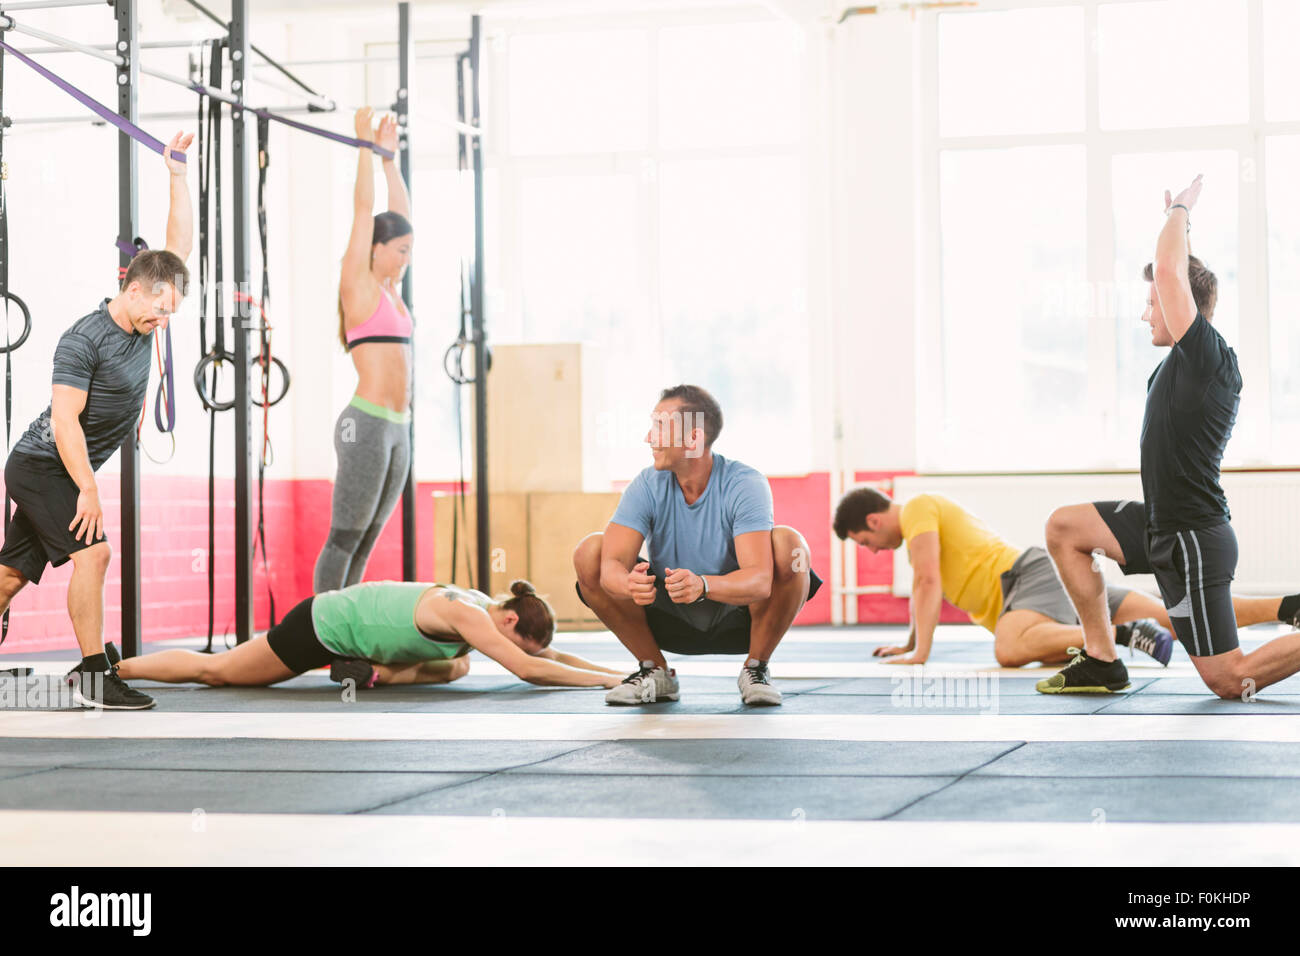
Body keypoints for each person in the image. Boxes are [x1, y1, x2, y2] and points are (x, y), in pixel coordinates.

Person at [1041, 175, 1300, 697]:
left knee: (1228, 679)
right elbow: (1178, 273)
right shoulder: (1185, 363)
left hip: (1194, 537)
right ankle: (1101, 658)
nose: (1145, 313)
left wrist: (1180, 210)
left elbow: (1170, 272)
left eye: (1152, 303)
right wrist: (1182, 237)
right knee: (1064, 528)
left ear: (1177, 301)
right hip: (1161, 524)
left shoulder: (1208, 358)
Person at [0, 133, 193, 710]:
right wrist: (88, 488)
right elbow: (65, 423)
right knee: (96, 553)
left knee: (11, 576)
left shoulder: (148, 314)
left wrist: (178, 179)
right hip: (41, 465)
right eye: (159, 307)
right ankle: (90, 674)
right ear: (132, 290)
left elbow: (178, 250)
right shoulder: (83, 339)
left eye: (171, 310)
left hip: (62, 469)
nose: (164, 318)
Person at [833, 487, 1299, 668]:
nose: (871, 551)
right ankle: (1286, 606)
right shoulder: (918, 527)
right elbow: (925, 587)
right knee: (1175, 616)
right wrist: (909, 639)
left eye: (863, 542)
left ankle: (1120, 634)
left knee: (1010, 649)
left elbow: (927, 583)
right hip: (1044, 594)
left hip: (1025, 578)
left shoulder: (915, 509)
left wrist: (920, 654)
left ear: (873, 521)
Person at [572, 385, 822, 707]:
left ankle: (756, 668)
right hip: (669, 615)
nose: (649, 438)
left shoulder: (744, 483)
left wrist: (702, 585)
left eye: (660, 427)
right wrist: (628, 584)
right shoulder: (646, 484)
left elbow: (760, 581)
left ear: (693, 439)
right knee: (590, 551)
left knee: (791, 546)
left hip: (738, 616)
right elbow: (608, 569)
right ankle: (655, 670)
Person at [114, 580, 623, 690]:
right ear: (510, 621)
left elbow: (548, 654)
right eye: (517, 640)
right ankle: (115, 668)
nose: (514, 647)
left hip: (351, 636)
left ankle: (371, 672)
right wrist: (606, 687)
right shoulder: (465, 615)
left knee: (460, 665)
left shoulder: (484, 608)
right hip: (321, 628)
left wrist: (624, 673)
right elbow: (530, 668)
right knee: (219, 672)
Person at [314, 108, 414, 592]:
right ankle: (319, 634)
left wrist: (390, 160)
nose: (406, 258)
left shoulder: (394, 289)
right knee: (344, 537)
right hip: (366, 425)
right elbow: (364, 211)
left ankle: (343, 631)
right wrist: (362, 146)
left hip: (399, 428)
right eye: (399, 250)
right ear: (375, 248)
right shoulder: (359, 285)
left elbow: (401, 219)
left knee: (369, 537)